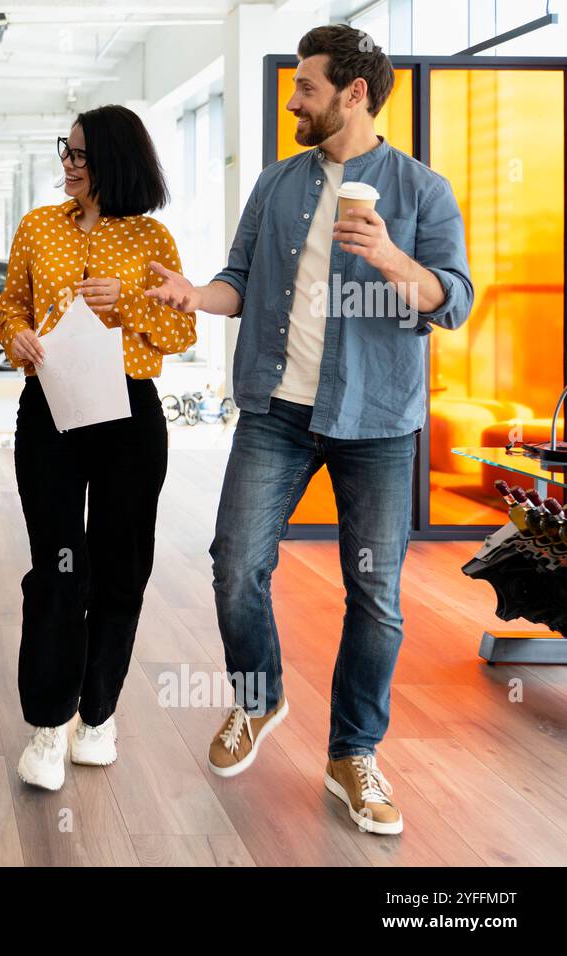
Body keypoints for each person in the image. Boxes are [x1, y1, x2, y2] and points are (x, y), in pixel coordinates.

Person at [145, 25, 472, 835]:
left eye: (308, 88)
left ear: (354, 93)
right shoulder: (277, 183)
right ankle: (260, 698)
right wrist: (194, 295)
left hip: (377, 423)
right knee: (233, 566)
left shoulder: (422, 191)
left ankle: (353, 753)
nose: (293, 100)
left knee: (377, 597)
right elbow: (239, 281)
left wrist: (394, 261)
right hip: (277, 412)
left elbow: (455, 299)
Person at [0, 106, 197, 791]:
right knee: (57, 568)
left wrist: (130, 304)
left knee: (122, 568)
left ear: (114, 159)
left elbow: (181, 337)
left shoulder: (152, 239)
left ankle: (98, 715)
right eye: (67, 150)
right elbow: (10, 309)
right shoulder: (38, 227)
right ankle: (48, 725)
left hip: (130, 417)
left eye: (81, 153)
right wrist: (15, 337)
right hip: (51, 409)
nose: (68, 163)